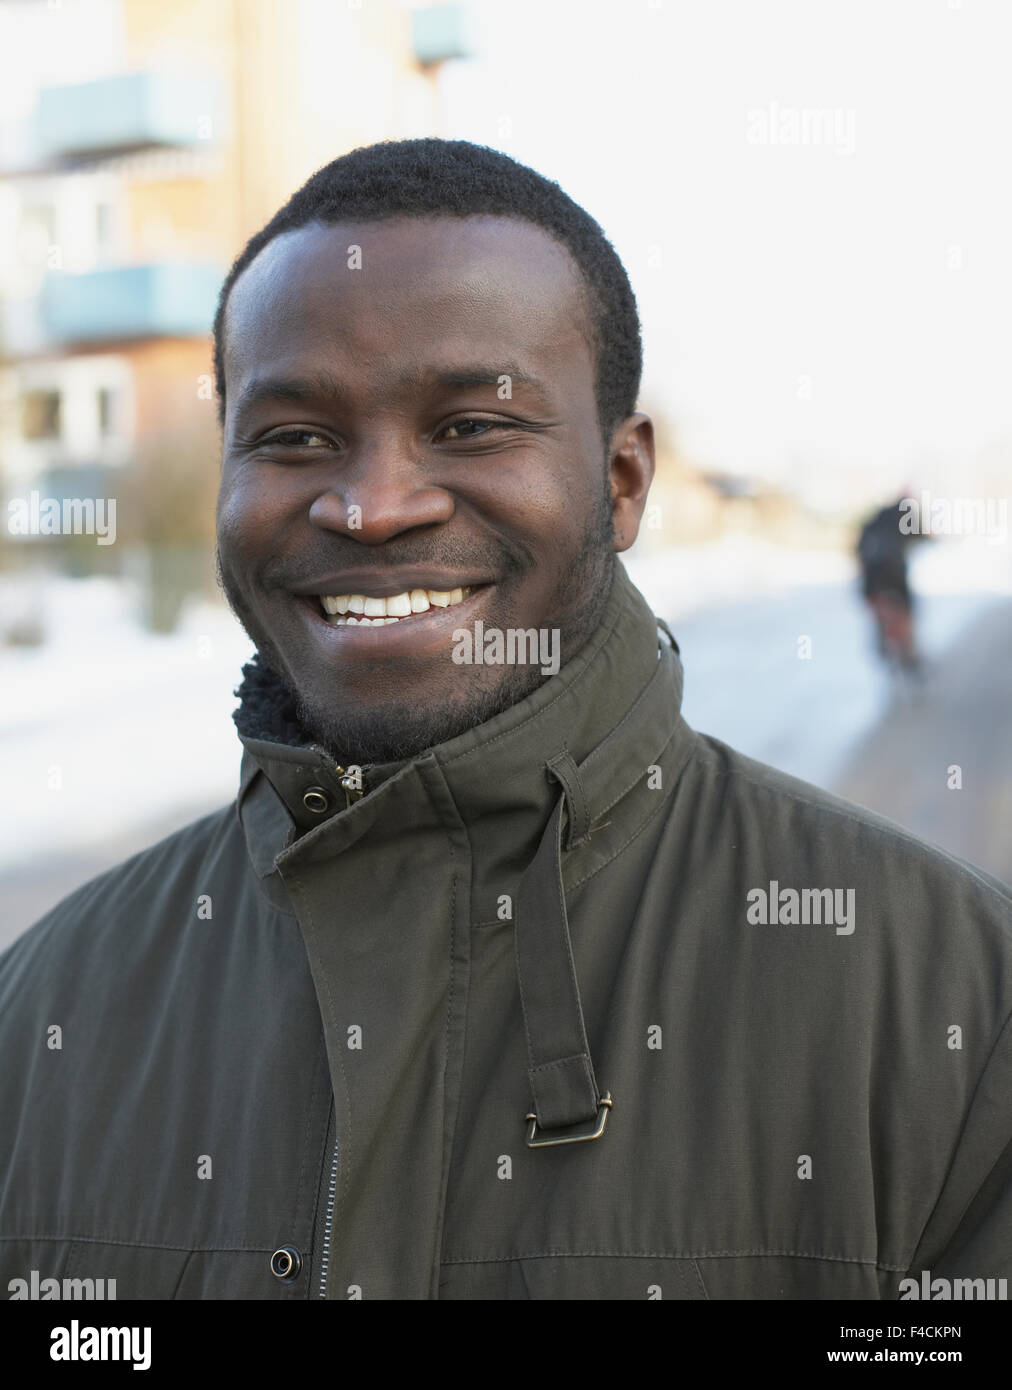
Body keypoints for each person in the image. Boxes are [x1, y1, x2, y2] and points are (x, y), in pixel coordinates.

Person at [1, 140, 1009, 1302]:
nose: (371, 507)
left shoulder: (953, 1009)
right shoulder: (43, 1016)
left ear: (622, 481)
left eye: (471, 425)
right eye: (292, 438)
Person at [856, 498, 925, 672]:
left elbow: (858, 551)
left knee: (880, 611)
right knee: (905, 609)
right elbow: (920, 535)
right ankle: (908, 654)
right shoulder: (904, 517)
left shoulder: (873, 522)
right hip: (893, 576)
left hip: (871, 581)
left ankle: (884, 645)